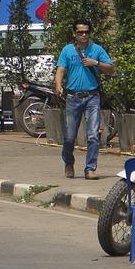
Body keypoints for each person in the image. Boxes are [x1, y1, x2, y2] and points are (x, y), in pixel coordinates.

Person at [53, 19, 114, 181]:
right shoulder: (67, 50)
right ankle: (69, 162)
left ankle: (90, 168)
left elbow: (111, 69)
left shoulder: (97, 49)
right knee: (69, 137)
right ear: (75, 34)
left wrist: (96, 63)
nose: (84, 35)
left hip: (92, 97)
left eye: (86, 32)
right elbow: (60, 70)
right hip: (73, 97)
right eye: (80, 32)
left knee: (93, 135)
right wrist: (58, 85)